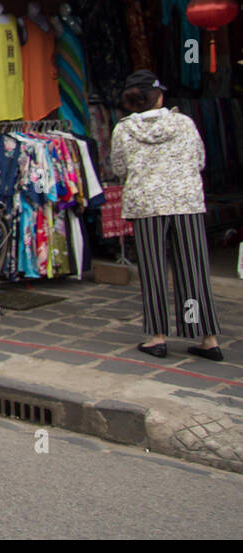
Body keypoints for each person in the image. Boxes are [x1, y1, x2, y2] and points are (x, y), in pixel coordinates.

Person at [111, 70, 225, 360]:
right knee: (193, 268)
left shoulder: (123, 129)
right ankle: (206, 336)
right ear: (159, 96)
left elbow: (119, 169)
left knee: (154, 271)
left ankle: (158, 337)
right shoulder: (184, 123)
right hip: (185, 203)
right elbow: (199, 160)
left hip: (148, 205)